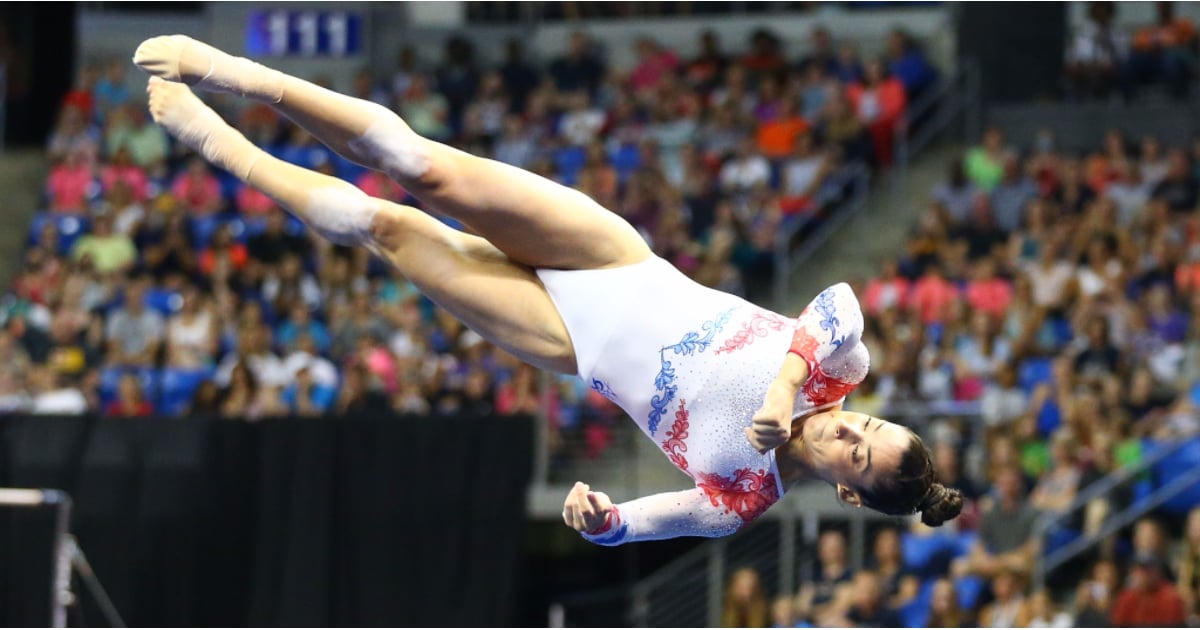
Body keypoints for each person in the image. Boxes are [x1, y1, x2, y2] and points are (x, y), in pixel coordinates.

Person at [133, 36, 964, 545]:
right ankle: (236, 72)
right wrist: (787, 385)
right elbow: (842, 301)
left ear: (848, 491)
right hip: (614, 262)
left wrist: (599, 520)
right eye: (868, 423)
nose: (847, 429)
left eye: (854, 452)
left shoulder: (743, 496)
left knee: (383, 229)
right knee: (421, 169)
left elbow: (639, 523)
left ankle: (218, 144)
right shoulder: (836, 368)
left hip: (569, 342)